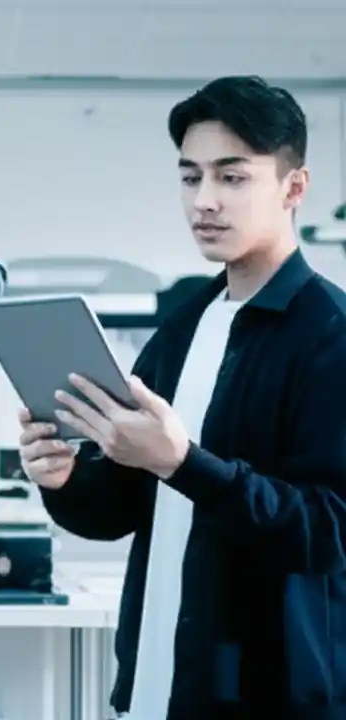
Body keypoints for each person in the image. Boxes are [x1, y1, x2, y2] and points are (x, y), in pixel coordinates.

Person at [18, 75, 346, 719]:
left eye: (233, 177)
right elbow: (121, 510)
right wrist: (62, 482)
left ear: (293, 187)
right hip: (155, 683)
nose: (205, 201)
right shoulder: (181, 326)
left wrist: (182, 462)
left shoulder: (330, 335)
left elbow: (327, 533)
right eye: (190, 177)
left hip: (270, 698)